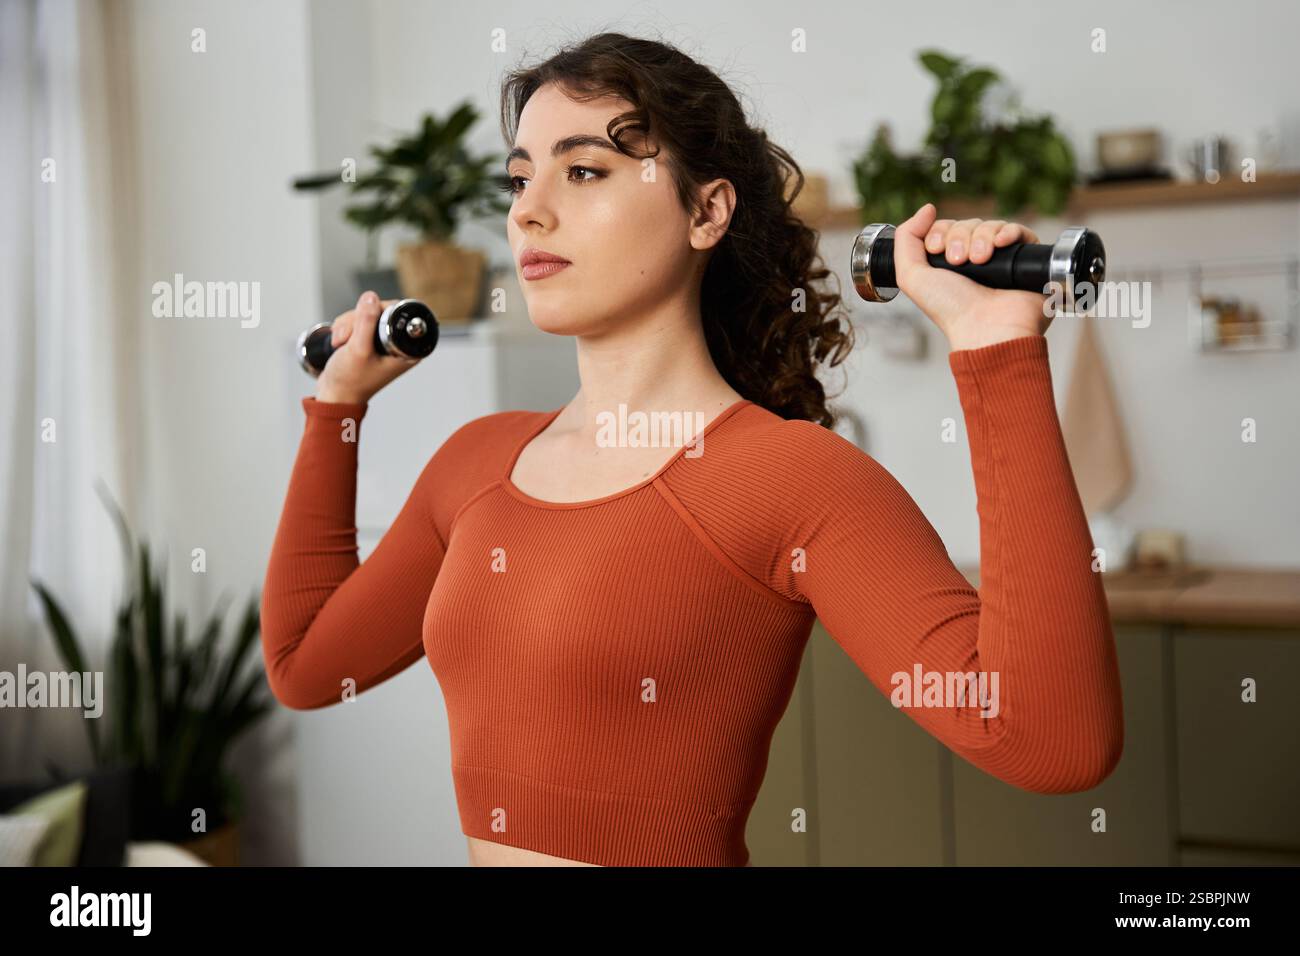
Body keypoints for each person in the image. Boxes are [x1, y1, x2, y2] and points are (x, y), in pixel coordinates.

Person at [261, 32, 1123, 868]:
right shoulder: (474, 464)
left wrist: (994, 350)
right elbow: (305, 665)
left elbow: (1052, 739)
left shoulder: (789, 480)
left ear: (706, 211)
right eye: (520, 178)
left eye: (585, 170)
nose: (527, 208)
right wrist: (335, 409)